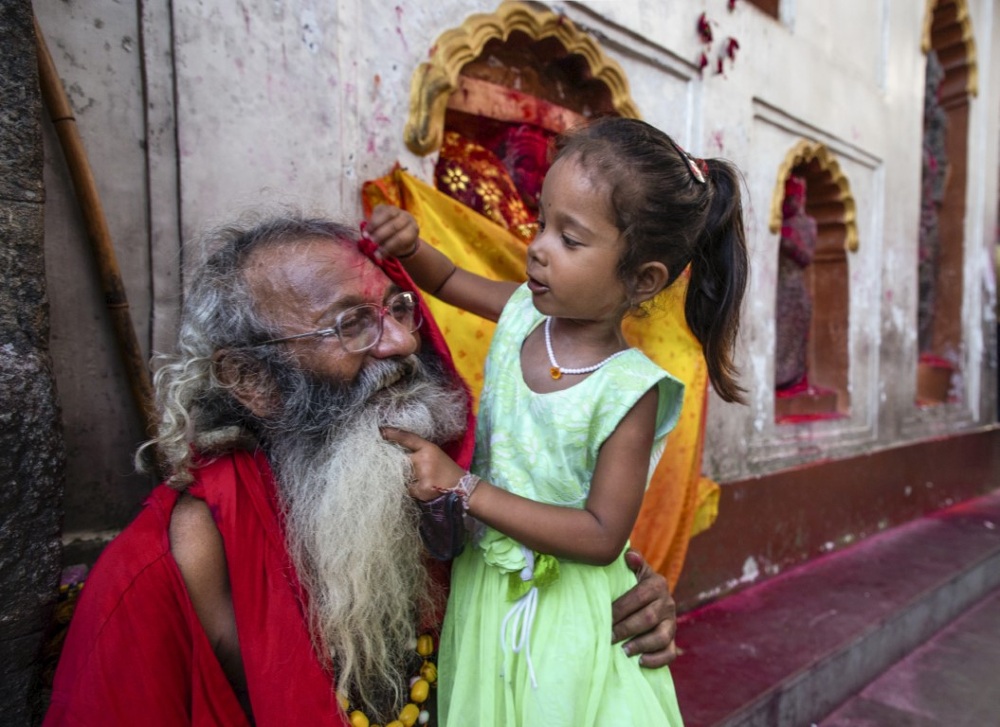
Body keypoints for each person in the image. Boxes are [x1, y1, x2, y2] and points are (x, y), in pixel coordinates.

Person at [44, 213, 681, 727]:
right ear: (251, 380)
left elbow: (563, 563)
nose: (402, 344)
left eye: (399, 308)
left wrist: (619, 604)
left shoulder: (448, 488)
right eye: (350, 324)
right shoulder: (166, 571)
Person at [369, 116, 749, 725]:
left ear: (642, 278)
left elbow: (600, 536)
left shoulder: (630, 390)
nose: (538, 247)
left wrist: (464, 487)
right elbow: (444, 279)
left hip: (565, 606)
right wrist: (408, 243)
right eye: (542, 223)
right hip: (487, 584)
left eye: (570, 240)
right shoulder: (522, 313)